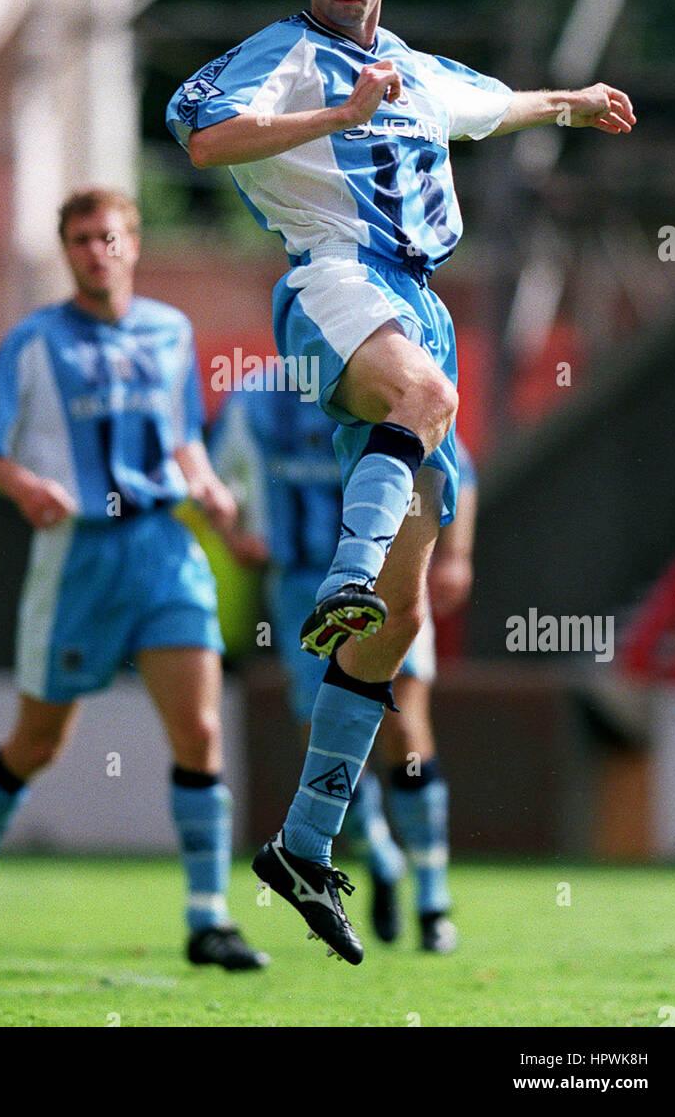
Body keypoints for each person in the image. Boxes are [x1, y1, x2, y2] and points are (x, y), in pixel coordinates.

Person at [167, 0, 635, 963]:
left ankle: (305, 842)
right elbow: (199, 134)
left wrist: (569, 101)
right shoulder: (282, 59)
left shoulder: (417, 73)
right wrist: (331, 121)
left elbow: (493, 106)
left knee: (404, 616)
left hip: (417, 307)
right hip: (333, 282)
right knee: (414, 410)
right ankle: (339, 576)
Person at [0, 187, 268, 973]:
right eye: (81, 239)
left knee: (199, 730)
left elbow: (184, 436)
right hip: (78, 556)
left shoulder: (171, 331)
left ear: (134, 243)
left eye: (108, 236)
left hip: (162, 547)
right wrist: (25, 486)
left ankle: (208, 919)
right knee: (39, 743)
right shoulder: (31, 342)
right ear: (66, 251)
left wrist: (211, 488)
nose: (96, 250)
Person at [210, 380, 477, 953]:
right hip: (302, 582)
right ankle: (380, 854)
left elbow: (458, 465)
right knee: (323, 738)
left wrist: (454, 555)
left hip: (392, 580)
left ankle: (433, 899)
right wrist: (234, 529)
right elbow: (219, 477)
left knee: (405, 731)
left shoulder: (389, 379)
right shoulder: (256, 401)